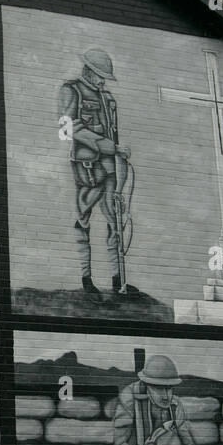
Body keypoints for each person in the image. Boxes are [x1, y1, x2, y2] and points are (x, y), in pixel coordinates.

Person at [59, 48, 136, 299]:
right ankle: (86, 279)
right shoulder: (71, 90)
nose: (103, 80)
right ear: (88, 71)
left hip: (111, 167)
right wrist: (109, 147)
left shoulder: (108, 98)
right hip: (87, 167)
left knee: (116, 221)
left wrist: (117, 157)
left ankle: (118, 279)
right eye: (99, 75)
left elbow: (113, 133)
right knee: (84, 222)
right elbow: (68, 129)